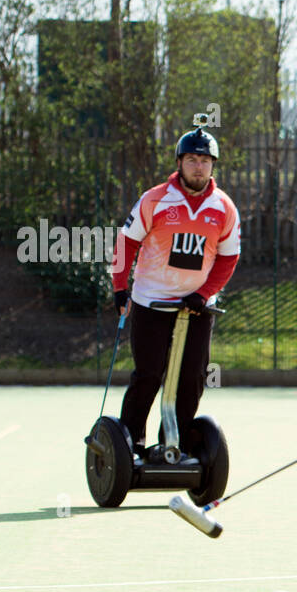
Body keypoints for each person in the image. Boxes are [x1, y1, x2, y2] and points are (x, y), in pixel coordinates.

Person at [110, 121, 240, 455]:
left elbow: (228, 259)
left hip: (197, 307)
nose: (199, 166)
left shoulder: (224, 208)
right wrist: (120, 288)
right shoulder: (154, 200)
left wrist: (203, 293)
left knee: (192, 378)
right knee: (149, 375)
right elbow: (126, 244)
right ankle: (131, 447)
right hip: (151, 303)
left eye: (205, 161)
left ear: (213, 166)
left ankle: (176, 443)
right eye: (192, 159)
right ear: (179, 163)